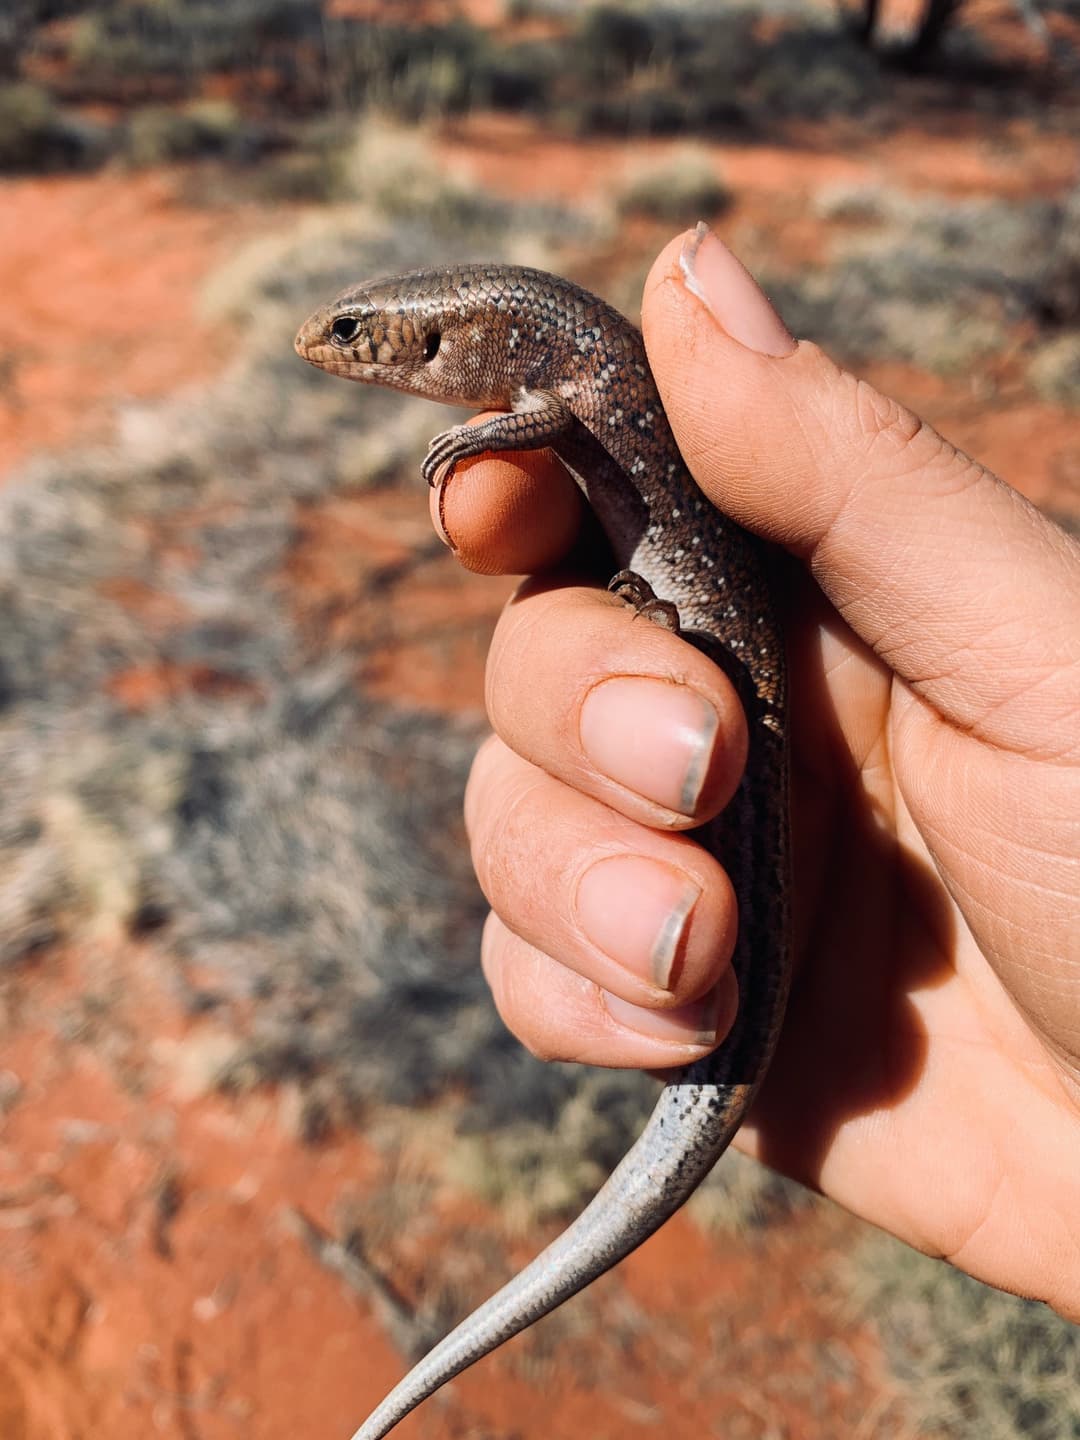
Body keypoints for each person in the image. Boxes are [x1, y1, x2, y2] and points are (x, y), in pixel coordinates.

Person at [430, 228, 1080, 1319]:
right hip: (732, 677)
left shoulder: (552, 389)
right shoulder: (550, 382)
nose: (345, 355)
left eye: (367, 343)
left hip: (734, 665)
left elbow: (552, 418)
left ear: (459, 338)